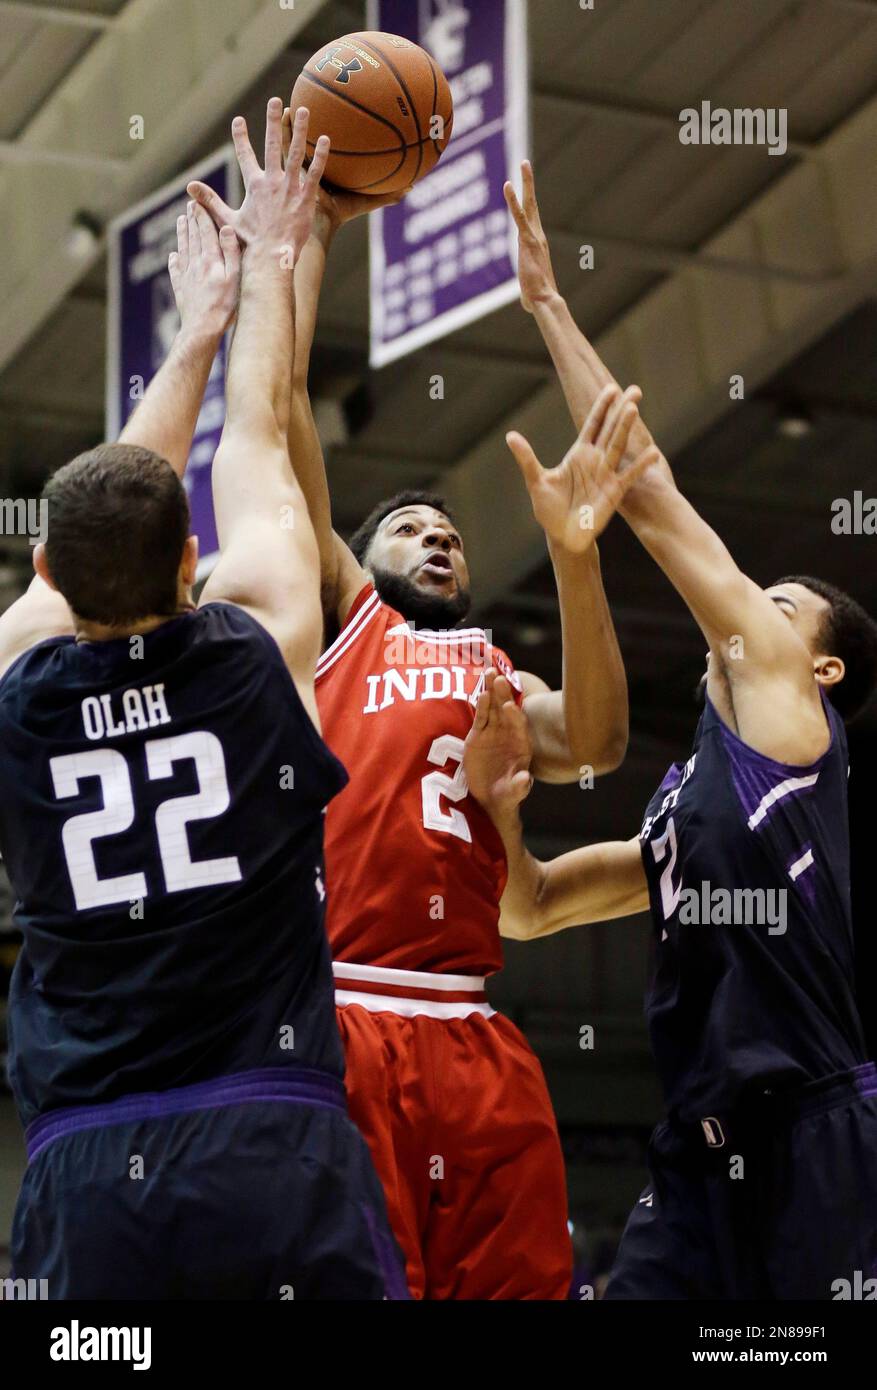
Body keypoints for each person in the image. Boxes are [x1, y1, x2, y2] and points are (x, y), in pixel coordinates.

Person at [188, 129, 657, 1298]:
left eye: (448, 528)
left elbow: (597, 742)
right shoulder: (345, 619)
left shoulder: (493, 671)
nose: (435, 534)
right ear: (360, 554)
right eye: (408, 526)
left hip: (471, 1025)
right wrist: (310, 242)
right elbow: (283, 408)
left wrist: (576, 556)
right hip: (344, 1010)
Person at [2, 102, 405, 1300]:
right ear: (194, 564)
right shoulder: (253, 644)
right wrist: (266, 272)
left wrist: (188, 337)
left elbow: (116, 520)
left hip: (84, 1167)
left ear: (51, 584)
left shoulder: (18, 688)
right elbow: (262, 443)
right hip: (267, 1134)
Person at [462, 163, 877, 1296]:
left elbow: (645, 487)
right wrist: (501, 814)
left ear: (821, 666)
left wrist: (547, 303)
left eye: (775, 601)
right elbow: (531, 907)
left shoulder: (789, 729)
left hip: (816, 1131)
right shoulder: (680, 808)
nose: (747, 602)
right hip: (695, 1154)